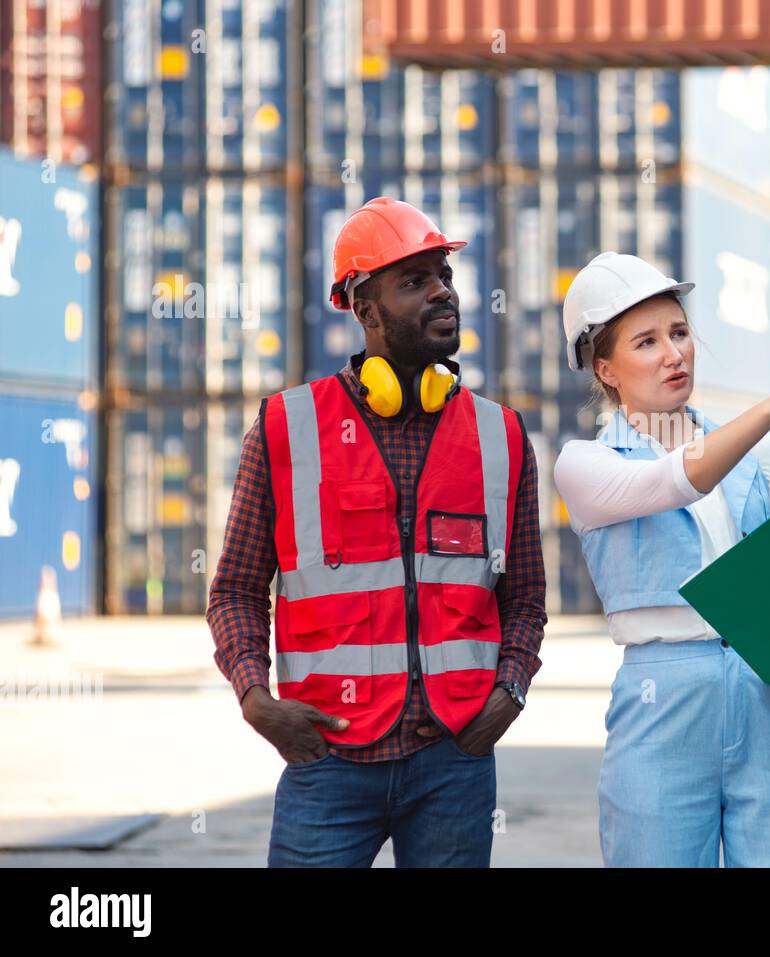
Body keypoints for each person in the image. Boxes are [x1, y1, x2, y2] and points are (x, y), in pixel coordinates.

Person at [206, 197, 546, 867]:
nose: (442, 291)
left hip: (455, 758)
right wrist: (256, 699)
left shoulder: (499, 436)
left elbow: (526, 594)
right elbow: (237, 588)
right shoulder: (286, 428)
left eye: (443, 274)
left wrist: (510, 691)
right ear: (364, 309)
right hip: (327, 760)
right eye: (414, 280)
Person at [553, 251, 770, 867]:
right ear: (605, 368)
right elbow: (675, 481)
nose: (674, 353)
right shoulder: (584, 466)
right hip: (661, 701)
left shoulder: (765, 459)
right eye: (646, 342)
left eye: (679, 332)